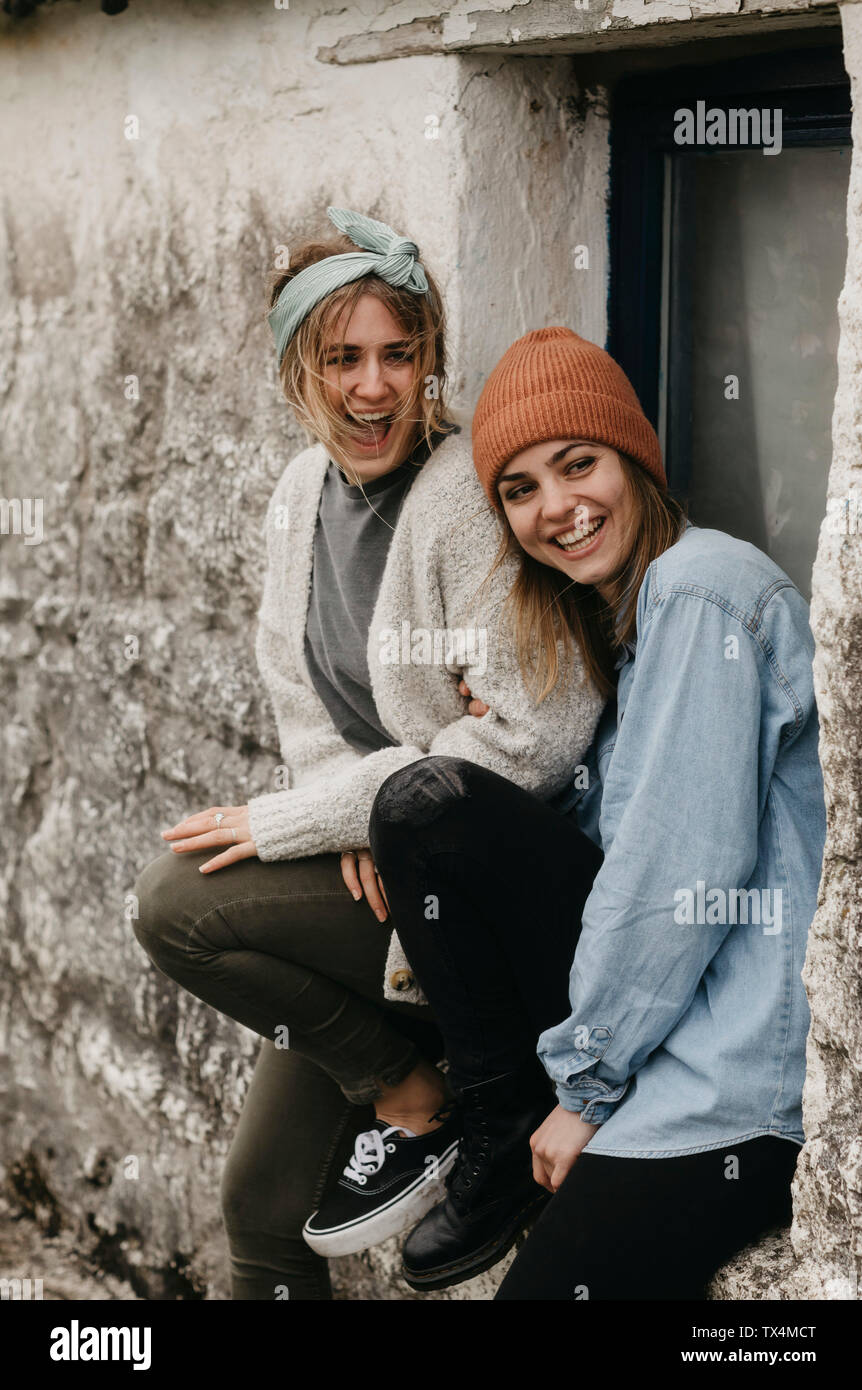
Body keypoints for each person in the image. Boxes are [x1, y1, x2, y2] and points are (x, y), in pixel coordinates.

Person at [130, 222, 605, 1299]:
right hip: (371, 883)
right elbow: (295, 692)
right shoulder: (301, 492)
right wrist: (344, 811)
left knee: (173, 902)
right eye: (342, 359)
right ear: (298, 369)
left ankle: (410, 1094)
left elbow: (534, 733)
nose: (374, 386)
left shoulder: (462, 500)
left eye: (398, 353)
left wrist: (335, 817)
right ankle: (397, 1082)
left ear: (426, 355)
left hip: (467, 904)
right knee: (261, 1208)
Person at [369, 326, 827, 1298]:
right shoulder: (630, 627)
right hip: (668, 1056)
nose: (557, 508)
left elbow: (677, 874)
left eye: (578, 464)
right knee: (424, 808)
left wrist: (582, 1090)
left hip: (729, 1090)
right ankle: (503, 1120)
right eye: (520, 489)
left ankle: (506, 1131)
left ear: (635, 458)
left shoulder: (702, 592)